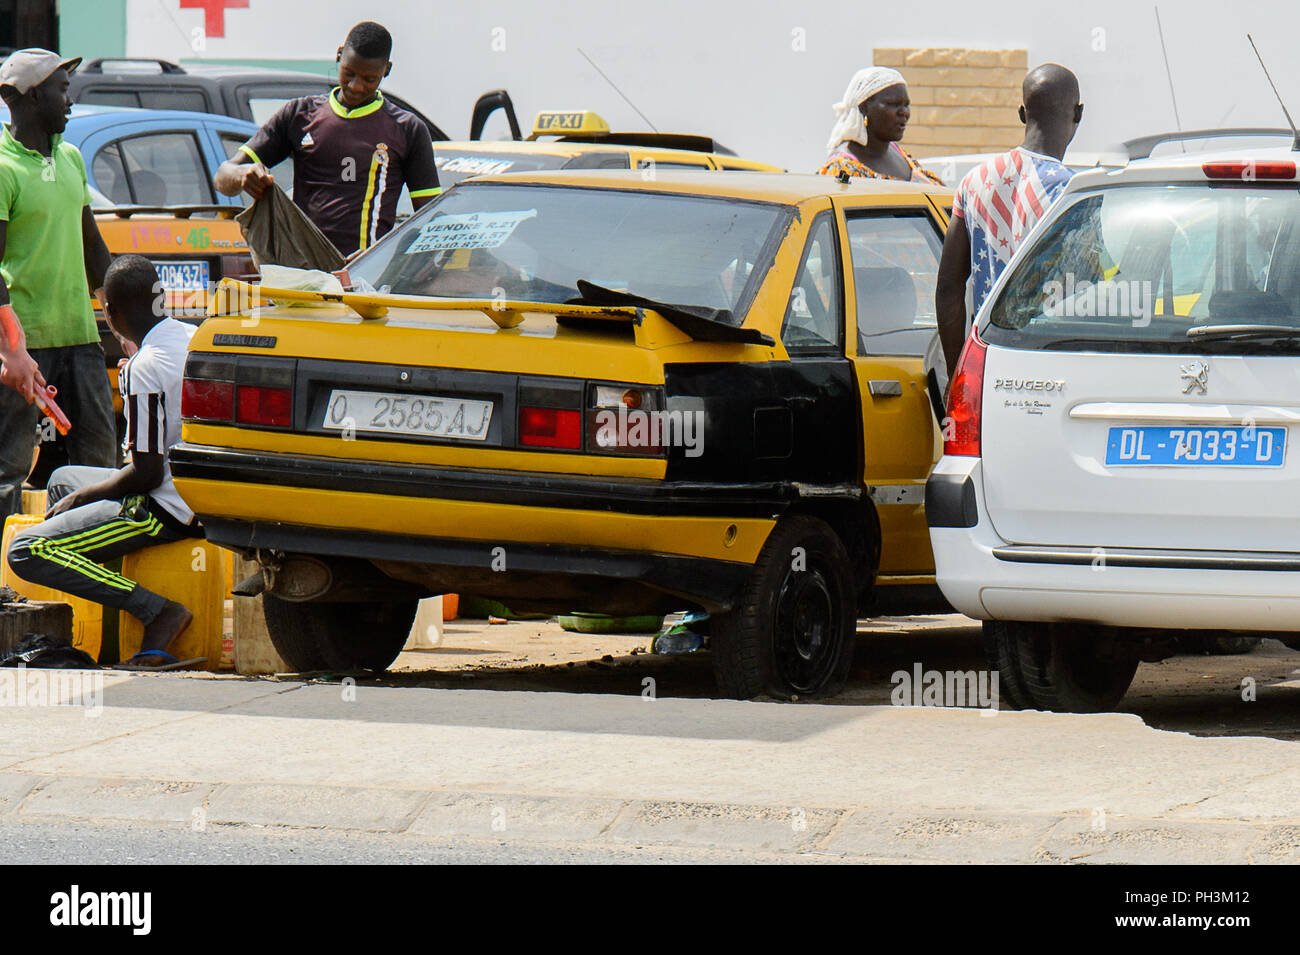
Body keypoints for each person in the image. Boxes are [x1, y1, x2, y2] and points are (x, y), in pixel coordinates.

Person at [8, 256, 199, 668]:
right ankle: (107, 630)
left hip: (164, 509)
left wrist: (85, 497)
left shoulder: (144, 368)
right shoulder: (193, 336)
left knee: (25, 550)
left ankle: (156, 610)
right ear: (161, 297)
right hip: (196, 494)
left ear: (109, 313)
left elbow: (146, 473)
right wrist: (78, 492)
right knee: (62, 479)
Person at [213, 20, 442, 258]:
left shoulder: (407, 129)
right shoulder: (299, 114)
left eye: (369, 79)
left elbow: (429, 218)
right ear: (339, 55)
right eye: (349, 73)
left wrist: (386, 262)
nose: (355, 86)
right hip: (301, 274)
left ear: (387, 70)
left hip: (364, 280)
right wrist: (242, 175)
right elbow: (222, 176)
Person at [0, 48, 116, 517]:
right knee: (9, 469)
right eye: (61, 90)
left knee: (100, 465)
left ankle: (86, 569)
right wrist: (12, 352)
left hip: (81, 339)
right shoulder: (4, 168)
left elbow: (93, 246)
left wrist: (125, 327)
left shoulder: (70, 157)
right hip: (24, 348)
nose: (69, 101)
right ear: (30, 97)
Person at [935, 64, 1083, 380]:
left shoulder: (974, 181)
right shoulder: (1071, 193)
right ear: (1078, 113)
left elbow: (948, 288)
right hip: (1052, 369)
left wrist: (956, 374)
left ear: (1021, 113)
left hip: (989, 365)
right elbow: (1091, 290)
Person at [818, 67, 942, 184]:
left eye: (906, 105)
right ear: (864, 108)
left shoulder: (898, 152)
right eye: (893, 104)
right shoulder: (842, 169)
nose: (904, 112)